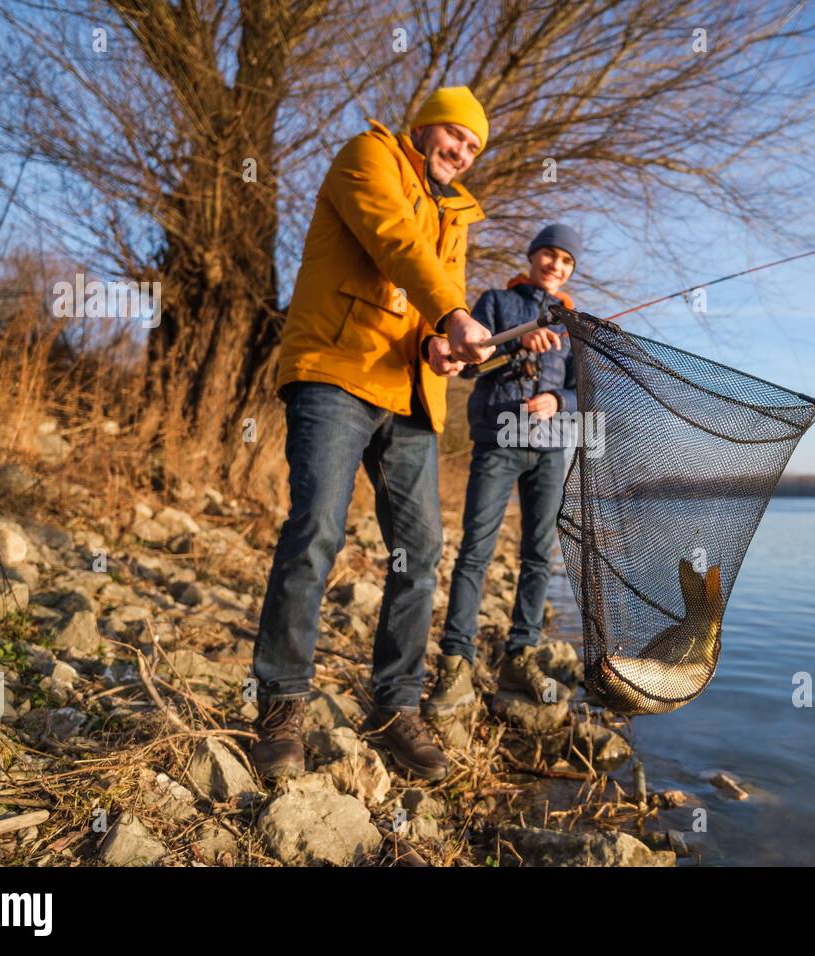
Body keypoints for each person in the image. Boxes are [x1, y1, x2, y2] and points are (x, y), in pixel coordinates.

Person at [250, 87, 496, 783]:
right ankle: (279, 709)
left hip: (410, 394)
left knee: (421, 551)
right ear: (425, 127)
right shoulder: (367, 155)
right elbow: (394, 240)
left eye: (475, 146)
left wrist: (438, 347)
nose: (463, 152)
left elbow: (433, 294)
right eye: (455, 135)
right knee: (317, 530)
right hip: (335, 371)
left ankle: (393, 709)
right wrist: (452, 311)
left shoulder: (458, 211)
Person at [425, 224, 583, 717]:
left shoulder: (573, 325)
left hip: (552, 448)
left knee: (538, 554)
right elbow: (469, 366)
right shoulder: (495, 301)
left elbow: (584, 393)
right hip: (499, 439)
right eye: (549, 255)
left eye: (566, 261)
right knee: (476, 550)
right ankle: (455, 662)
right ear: (533, 256)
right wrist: (517, 344)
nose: (556, 266)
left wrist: (557, 399)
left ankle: (521, 654)